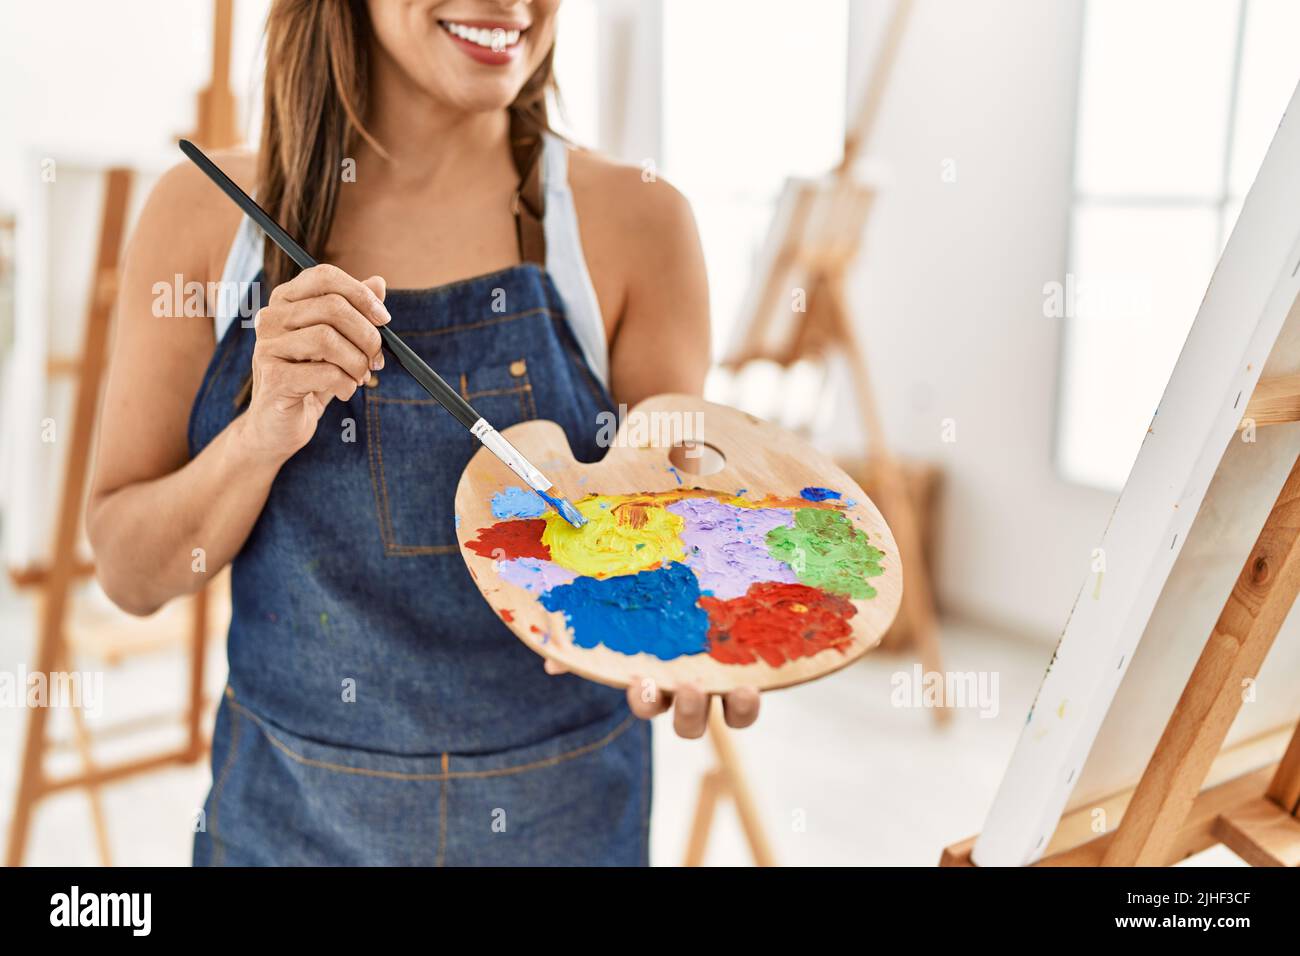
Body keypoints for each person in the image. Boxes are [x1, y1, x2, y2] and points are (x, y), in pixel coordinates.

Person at [87, 0, 759, 866]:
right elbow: (131, 574)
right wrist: (263, 433)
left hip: (566, 824)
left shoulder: (639, 221)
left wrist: (701, 601)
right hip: (284, 828)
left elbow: (667, 512)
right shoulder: (204, 218)